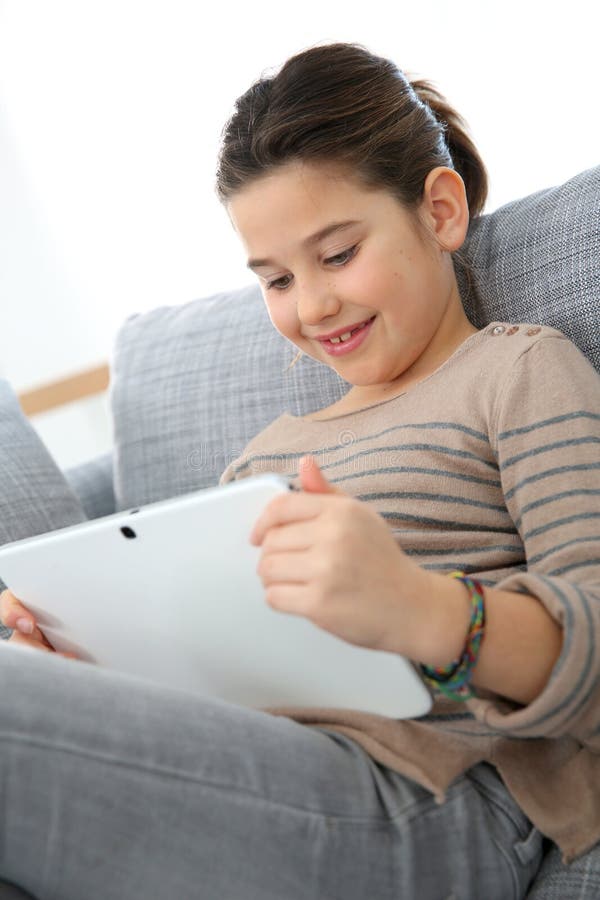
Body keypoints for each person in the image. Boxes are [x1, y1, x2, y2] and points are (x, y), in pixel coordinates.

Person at [1, 40, 599, 900]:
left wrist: (418, 609)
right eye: (276, 278)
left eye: (338, 253)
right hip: (260, 779)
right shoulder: (261, 462)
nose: (312, 306)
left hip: (430, 797)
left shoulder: (518, 372)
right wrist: (82, 671)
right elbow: (215, 691)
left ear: (439, 212)